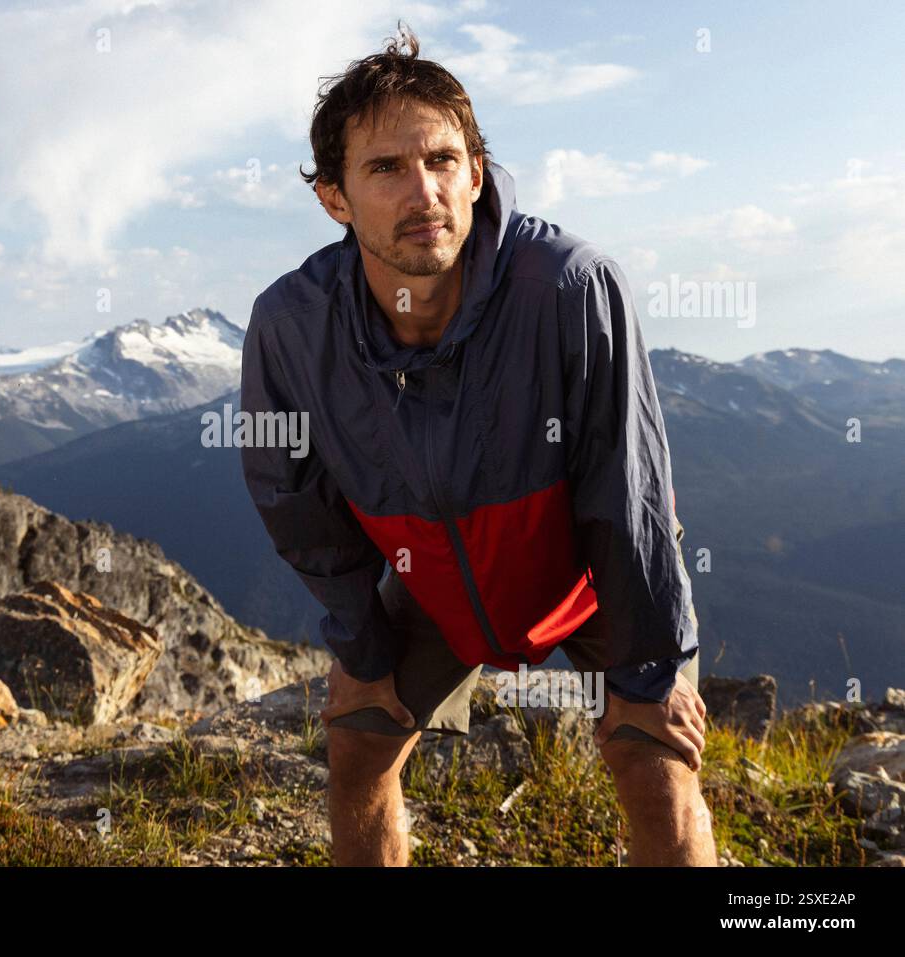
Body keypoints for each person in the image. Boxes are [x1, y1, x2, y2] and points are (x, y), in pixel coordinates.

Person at [239, 25, 716, 867]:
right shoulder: (289, 328)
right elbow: (294, 501)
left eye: (443, 160)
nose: (423, 190)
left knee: (656, 765)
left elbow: (627, 492)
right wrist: (362, 644)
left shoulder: (570, 287)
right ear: (334, 198)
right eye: (385, 168)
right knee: (357, 748)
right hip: (434, 586)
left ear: (477, 172)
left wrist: (650, 673)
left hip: (590, 572)